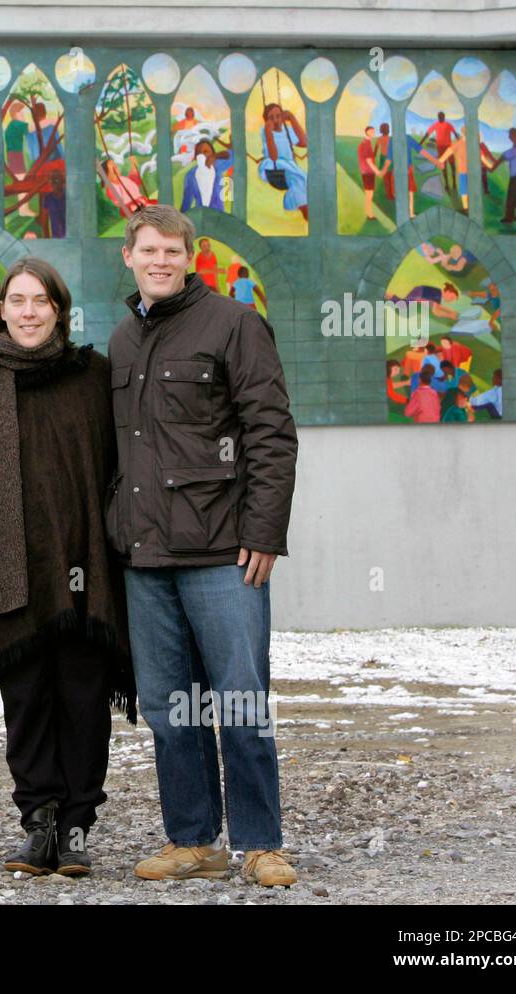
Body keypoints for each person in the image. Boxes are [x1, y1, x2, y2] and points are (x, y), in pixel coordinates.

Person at [108, 205, 299, 888]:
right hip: (147, 559)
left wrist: (263, 532)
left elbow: (271, 432)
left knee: (241, 699)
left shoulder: (234, 324)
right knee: (167, 707)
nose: (160, 261)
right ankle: (192, 840)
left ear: (189, 257)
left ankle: (260, 841)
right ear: (128, 256)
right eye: (149, 250)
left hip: (224, 554)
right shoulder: (125, 339)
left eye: (173, 251)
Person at [0, 257, 136, 878]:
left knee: (84, 701)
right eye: (17, 300)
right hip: (10, 576)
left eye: (41, 301)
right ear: (1, 309)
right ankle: (38, 822)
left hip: (86, 568)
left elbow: (122, 465)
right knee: (27, 701)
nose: (29, 312)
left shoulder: (93, 377)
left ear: (59, 309)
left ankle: (78, 824)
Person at [257, 103, 308, 221]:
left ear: (283, 116)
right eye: (271, 117)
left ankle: (302, 206)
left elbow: (304, 142)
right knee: (298, 180)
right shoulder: (266, 132)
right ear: (266, 121)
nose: (275, 120)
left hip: (289, 167)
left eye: (278, 116)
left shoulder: (287, 130)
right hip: (274, 169)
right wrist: (269, 133)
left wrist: (292, 118)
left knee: (302, 181)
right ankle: (303, 209)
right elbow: (274, 157)